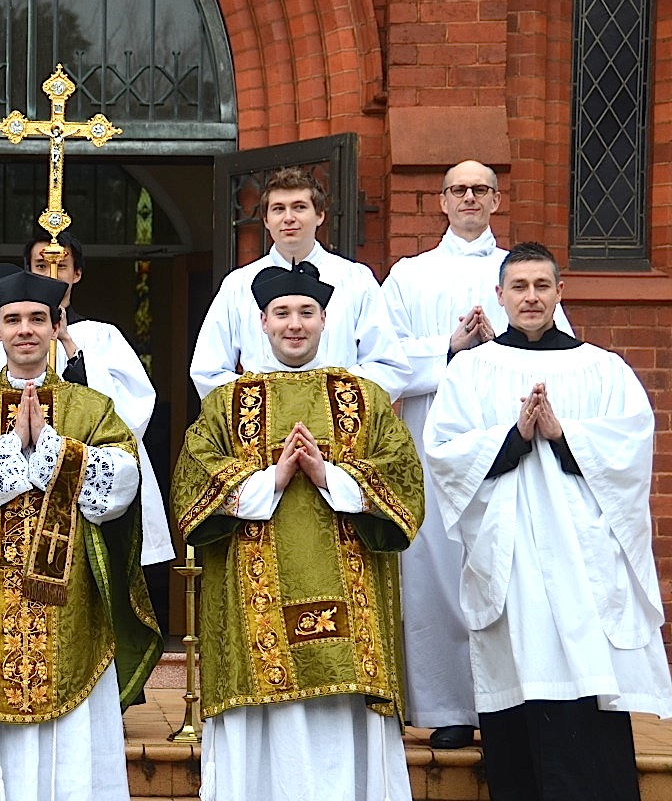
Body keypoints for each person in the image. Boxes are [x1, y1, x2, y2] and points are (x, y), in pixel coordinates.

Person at [0, 264, 162, 801]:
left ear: (55, 327)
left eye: (38, 319)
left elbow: (120, 488)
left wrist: (47, 451)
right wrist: (10, 454)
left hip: (72, 613)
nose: (26, 330)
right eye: (13, 319)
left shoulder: (92, 408)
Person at [424, 242, 672, 801]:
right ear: (499, 296)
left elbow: (632, 447)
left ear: (561, 293)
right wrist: (513, 436)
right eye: (519, 287)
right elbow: (442, 450)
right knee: (517, 688)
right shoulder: (472, 370)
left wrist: (564, 436)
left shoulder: (603, 368)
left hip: (582, 559)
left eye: (541, 286)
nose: (531, 297)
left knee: (584, 692)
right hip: (508, 558)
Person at [171, 264, 424, 801]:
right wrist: (272, 479)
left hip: (348, 594)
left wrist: (327, 476)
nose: (294, 324)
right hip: (251, 600)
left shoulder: (364, 398)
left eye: (306, 313)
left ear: (326, 320)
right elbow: (191, 482)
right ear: (260, 322)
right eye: (282, 313)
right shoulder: (228, 401)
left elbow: (404, 478)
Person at [381, 160, 573, 748]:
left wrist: (506, 349)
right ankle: (447, 710)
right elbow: (382, 361)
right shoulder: (410, 275)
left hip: (508, 444)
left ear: (496, 200)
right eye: (458, 189)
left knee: (504, 566)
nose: (469, 197)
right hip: (434, 441)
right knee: (435, 570)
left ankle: (509, 705)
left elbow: (563, 354)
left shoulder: (521, 273)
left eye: (480, 190)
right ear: (441, 201)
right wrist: (451, 346)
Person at [0, 232, 175, 566]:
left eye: (61, 265)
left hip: (90, 478)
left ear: (77, 273)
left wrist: (72, 348)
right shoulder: (8, 340)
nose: (51, 275)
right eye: (41, 265)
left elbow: (134, 410)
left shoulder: (103, 335)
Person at [189, 167, 409, 402]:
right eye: (278, 209)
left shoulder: (356, 279)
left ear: (320, 215)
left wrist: (327, 394)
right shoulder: (238, 284)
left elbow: (388, 366)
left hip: (337, 423)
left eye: (299, 207)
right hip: (262, 426)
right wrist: (266, 398)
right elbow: (208, 371)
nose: (288, 218)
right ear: (265, 220)